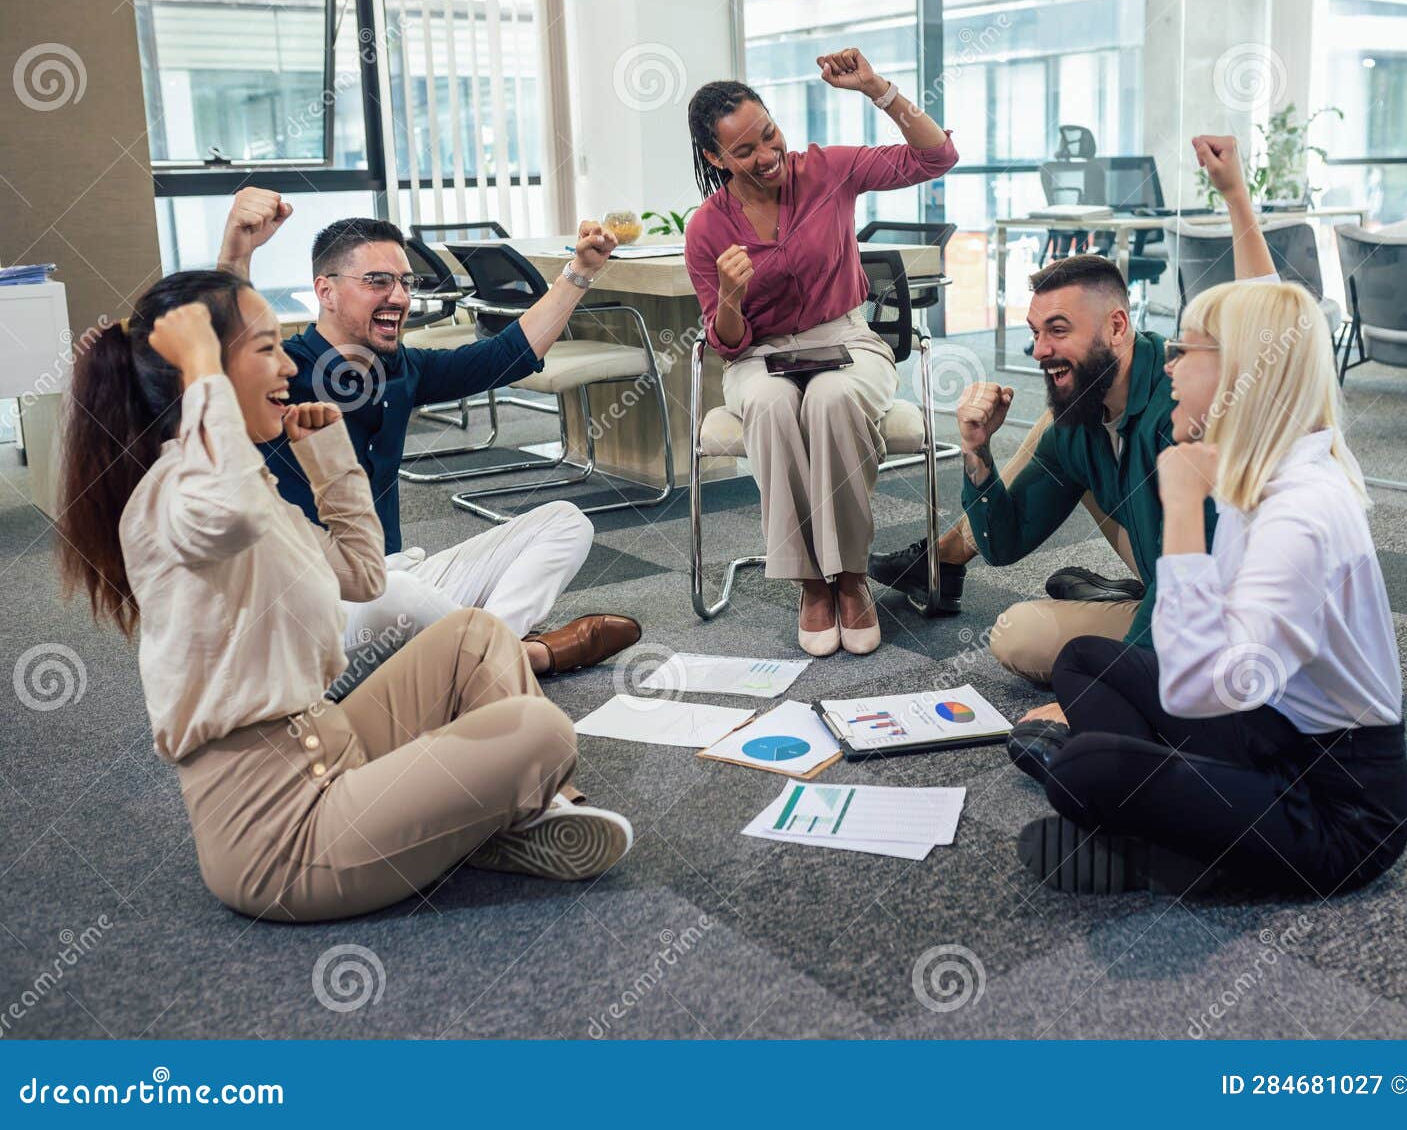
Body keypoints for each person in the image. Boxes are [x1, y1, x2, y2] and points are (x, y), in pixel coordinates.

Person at [54, 269, 634, 922]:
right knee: (541, 730)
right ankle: (504, 810)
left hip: (333, 751)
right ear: (204, 378)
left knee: (474, 635)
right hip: (281, 845)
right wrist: (203, 371)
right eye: (266, 347)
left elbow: (362, 574)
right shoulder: (173, 494)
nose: (286, 364)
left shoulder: (244, 485)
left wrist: (325, 454)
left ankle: (520, 813)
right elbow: (232, 513)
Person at [1012, 270, 1407, 897]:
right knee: (1085, 660)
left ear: (1238, 375)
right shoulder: (1262, 468)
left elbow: (1198, 684)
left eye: (1185, 351)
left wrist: (1180, 510)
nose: (1167, 367)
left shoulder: (1298, 518)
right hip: (1272, 731)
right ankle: (1177, 824)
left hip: (1343, 815)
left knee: (1080, 771)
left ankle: (1160, 848)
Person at [875, 137, 1272, 685]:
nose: (1038, 351)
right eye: (1036, 333)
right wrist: (976, 456)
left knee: (1080, 646)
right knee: (1016, 636)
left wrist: (1092, 706)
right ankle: (1130, 604)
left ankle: (1141, 628)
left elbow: (1266, 325)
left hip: (1237, 611)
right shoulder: (1082, 415)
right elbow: (1006, 543)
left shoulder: (1182, 412)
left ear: (1116, 325)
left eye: (1058, 331)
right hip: (1165, 570)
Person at [216, 192, 640, 677]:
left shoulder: (401, 368)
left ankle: (482, 655)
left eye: (404, 281)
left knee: (565, 522)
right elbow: (228, 357)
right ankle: (519, 656)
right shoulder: (283, 371)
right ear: (326, 291)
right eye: (376, 281)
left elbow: (507, 355)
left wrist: (581, 272)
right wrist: (236, 255)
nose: (398, 296)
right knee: (398, 592)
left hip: (394, 585)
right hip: (310, 618)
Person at [683, 48, 958, 656]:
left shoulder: (828, 170)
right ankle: (811, 583)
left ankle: (851, 577)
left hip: (846, 338)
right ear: (715, 157)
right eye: (745, 151)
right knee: (776, 407)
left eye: (769, 134)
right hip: (758, 356)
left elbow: (937, 157)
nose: (767, 155)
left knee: (833, 397)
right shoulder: (707, 227)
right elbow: (727, 342)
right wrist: (729, 296)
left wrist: (877, 89)